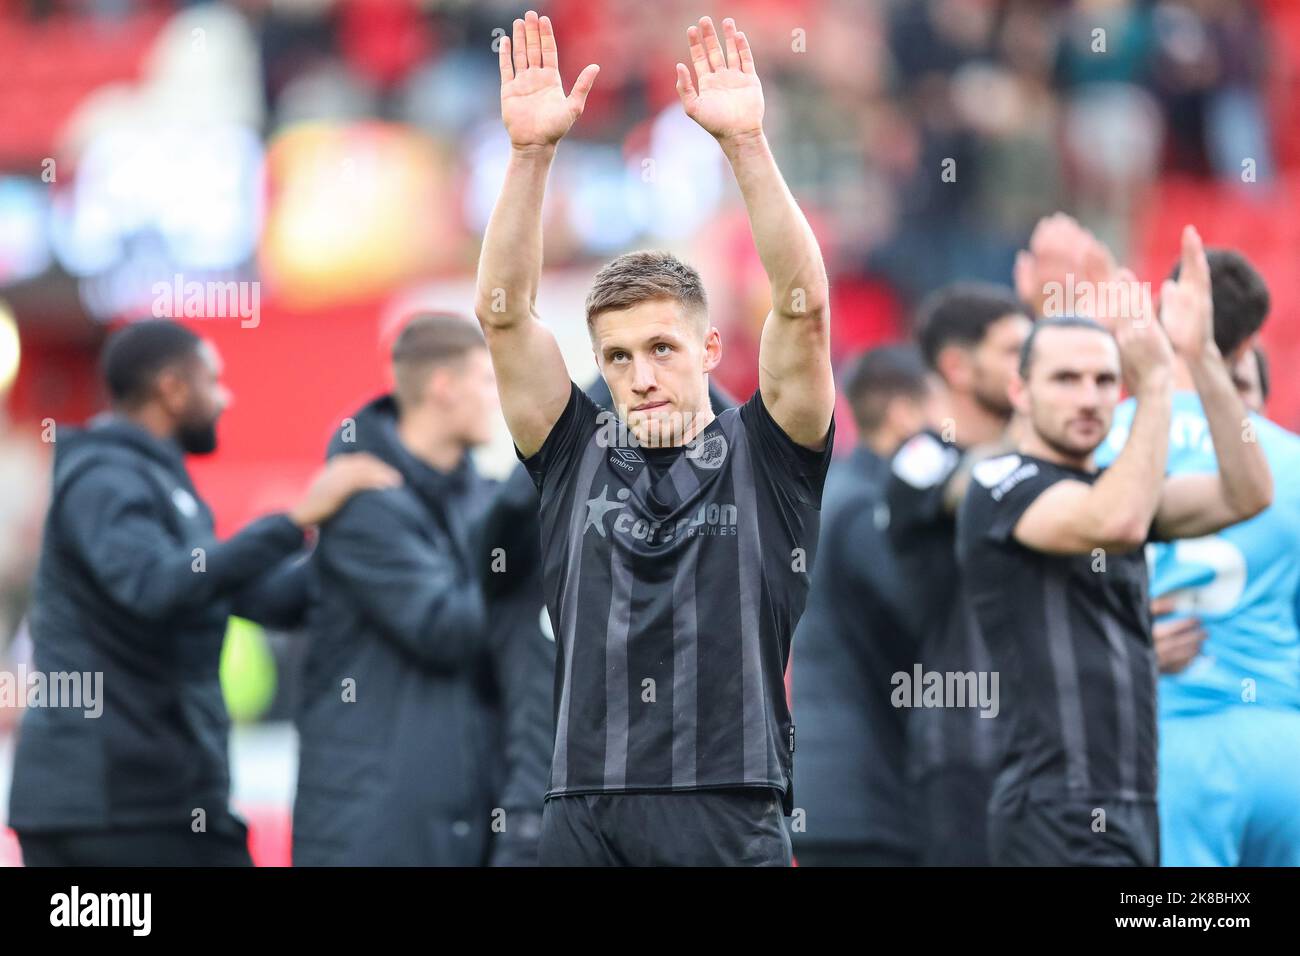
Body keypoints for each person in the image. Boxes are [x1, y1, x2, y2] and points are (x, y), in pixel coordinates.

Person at [475, 12, 835, 866]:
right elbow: (503, 319)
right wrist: (529, 158)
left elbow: (803, 307)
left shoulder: (768, 452)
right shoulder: (574, 454)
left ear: (710, 349)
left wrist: (746, 145)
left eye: (663, 348)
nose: (640, 374)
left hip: (724, 802)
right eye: (618, 356)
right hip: (580, 812)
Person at [9, 319, 398, 867]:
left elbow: (263, 599)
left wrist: (355, 542)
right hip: (107, 812)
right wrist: (293, 519)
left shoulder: (158, 483)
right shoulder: (104, 477)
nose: (226, 397)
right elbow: (155, 585)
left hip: (162, 801)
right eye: (213, 380)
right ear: (172, 388)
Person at [957, 228, 1272, 866]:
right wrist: (1154, 387)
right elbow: (1120, 520)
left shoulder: (1110, 486)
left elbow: (1247, 494)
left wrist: (1201, 357)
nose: (1089, 397)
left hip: (1134, 806)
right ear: (1020, 394)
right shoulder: (1001, 482)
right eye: (1066, 379)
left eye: (1105, 381)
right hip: (1054, 810)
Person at [478, 375, 736, 867]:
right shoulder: (515, 574)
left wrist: (684, 376)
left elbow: (743, 445)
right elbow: (518, 498)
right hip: (541, 818)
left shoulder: (672, 582)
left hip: (646, 820)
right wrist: (615, 382)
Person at [1098, 250, 1300, 866]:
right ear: (1245, 352)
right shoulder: (1286, 459)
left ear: (1159, 332)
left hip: (1165, 743)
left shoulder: (1102, 444)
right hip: (1281, 742)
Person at [293, 313, 501, 867]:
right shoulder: (363, 504)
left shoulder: (479, 496)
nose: (497, 397)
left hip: (455, 821)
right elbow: (445, 628)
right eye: (486, 379)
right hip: (373, 833)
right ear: (443, 387)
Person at [885, 283, 1031, 865]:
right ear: (957, 367)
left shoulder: (1038, 460)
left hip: (1044, 746)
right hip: (964, 745)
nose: (1031, 366)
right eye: (1014, 352)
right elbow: (979, 486)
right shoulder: (922, 457)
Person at [791, 345, 937, 867]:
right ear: (904, 411)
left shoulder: (836, 495)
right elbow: (922, 617)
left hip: (830, 794)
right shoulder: (864, 508)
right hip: (864, 801)